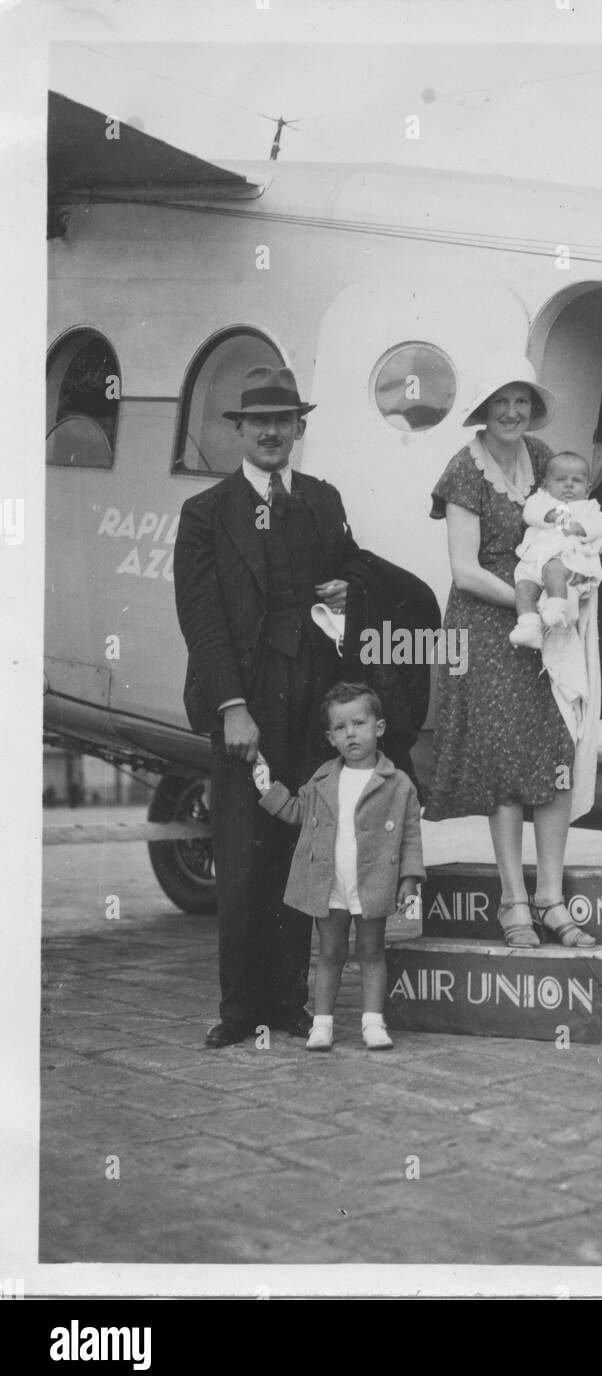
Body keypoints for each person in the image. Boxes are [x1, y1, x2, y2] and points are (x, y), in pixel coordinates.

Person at [173, 365, 359, 1047]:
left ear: (299, 428)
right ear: (240, 431)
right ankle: (239, 1011)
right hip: (243, 703)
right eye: (260, 422)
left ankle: (286, 1003)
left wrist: (347, 589)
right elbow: (202, 618)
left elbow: (353, 564)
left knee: (297, 854)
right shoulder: (205, 514)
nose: (273, 431)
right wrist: (231, 706)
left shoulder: (321, 499)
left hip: (309, 700)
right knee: (243, 857)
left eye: (284, 420)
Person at [424, 350, 597, 950]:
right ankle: (512, 899)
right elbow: (465, 571)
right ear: (483, 408)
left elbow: (571, 527)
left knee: (553, 748)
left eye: (521, 401)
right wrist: (529, 606)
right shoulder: (463, 469)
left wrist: (569, 582)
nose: (512, 411)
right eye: (501, 401)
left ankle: (550, 897)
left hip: (544, 620)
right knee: (502, 758)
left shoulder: (544, 458)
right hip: (485, 621)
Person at [253, 682, 425, 1052]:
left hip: (372, 881)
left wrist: (410, 879)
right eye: (341, 728)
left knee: (371, 950)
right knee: (330, 952)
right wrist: (268, 788)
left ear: (378, 728)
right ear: (330, 738)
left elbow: (411, 834)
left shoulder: (398, 784)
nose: (351, 733)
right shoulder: (321, 780)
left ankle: (373, 1023)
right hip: (329, 881)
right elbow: (297, 812)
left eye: (359, 723)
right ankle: (322, 1025)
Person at [509, 450, 602, 647]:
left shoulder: (588, 507)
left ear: (588, 489)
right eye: (560, 479)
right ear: (546, 484)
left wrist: (581, 528)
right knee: (522, 587)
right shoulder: (541, 501)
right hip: (535, 560)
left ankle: (557, 607)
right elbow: (529, 514)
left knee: (553, 569)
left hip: (568, 559)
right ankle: (529, 627)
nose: (569, 484)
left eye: (577, 480)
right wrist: (548, 515)